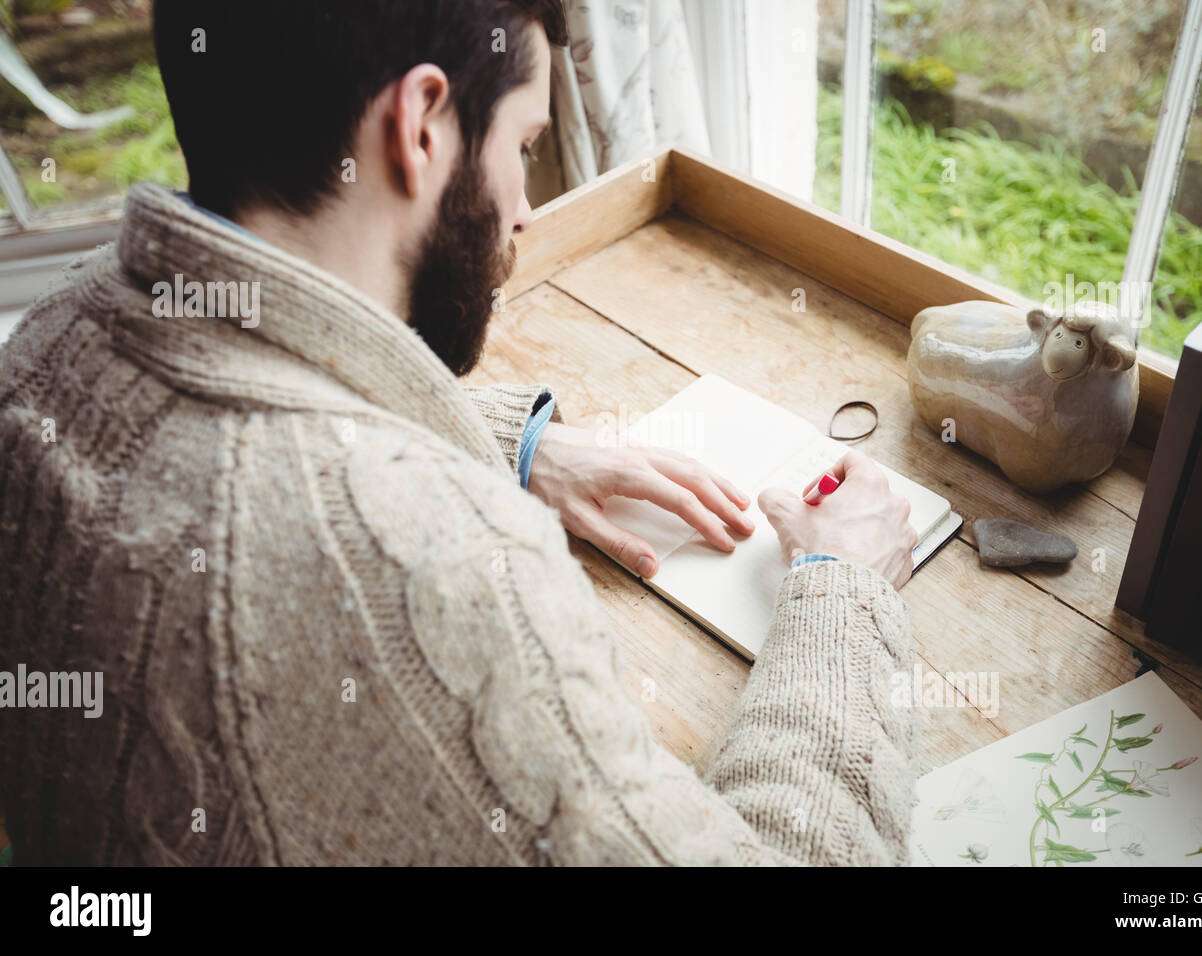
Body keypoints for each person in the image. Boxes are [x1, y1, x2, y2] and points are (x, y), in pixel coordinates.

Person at [0, 0, 918, 865]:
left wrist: (509, 444)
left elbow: (223, 421)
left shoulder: (43, 344)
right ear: (421, 125)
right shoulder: (438, 577)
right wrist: (843, 594)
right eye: (523, 145)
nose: (524, 211)